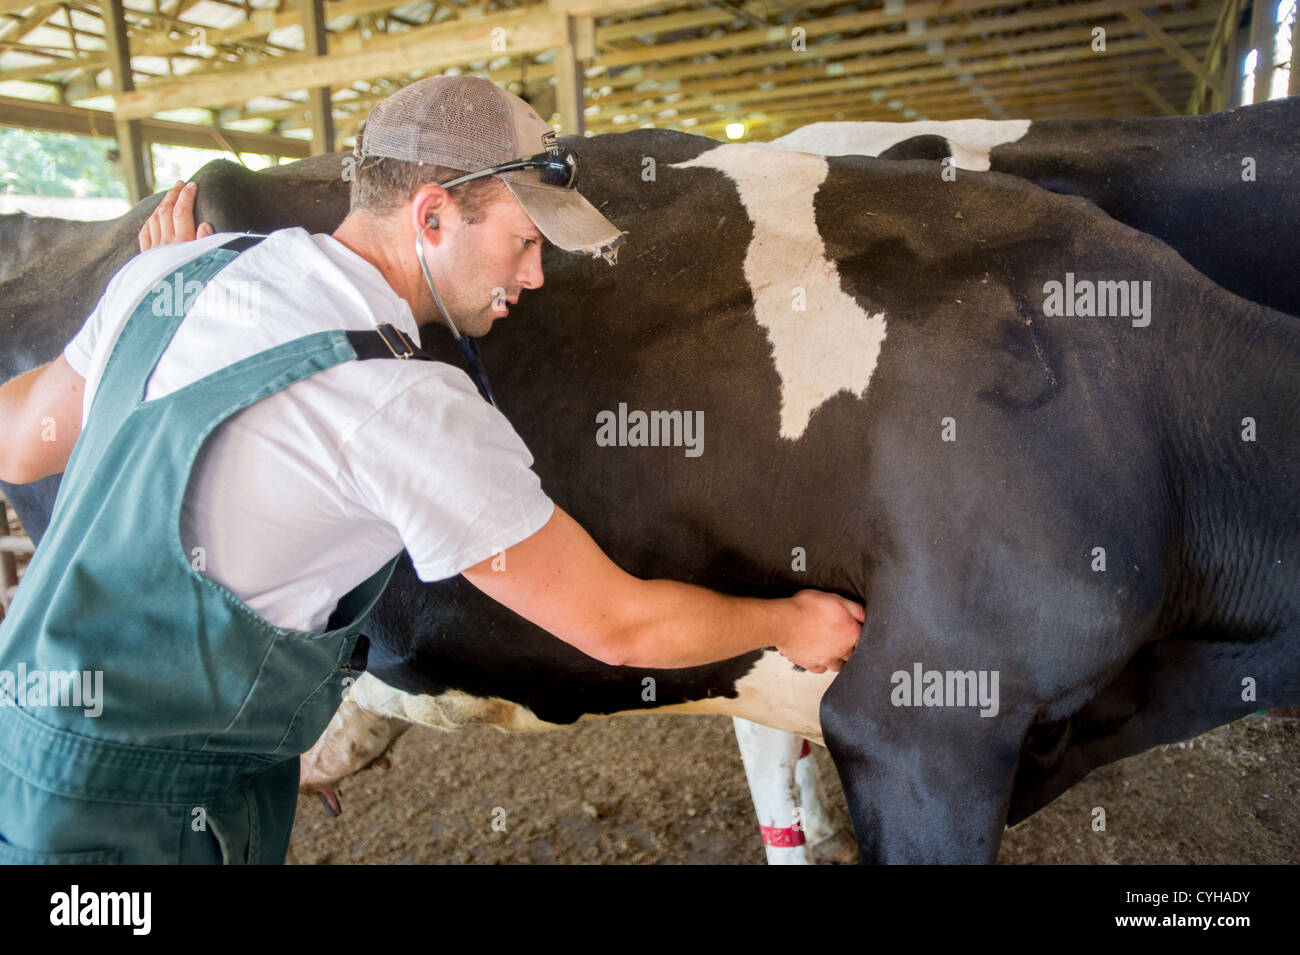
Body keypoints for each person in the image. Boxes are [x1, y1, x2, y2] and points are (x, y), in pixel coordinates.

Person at [0, 76, 863, 865]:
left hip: (19, 750)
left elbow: (16, 442)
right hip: (142, 816)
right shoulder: (404, 406)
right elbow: (620, 627)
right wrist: (787, 622)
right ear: (432, 214)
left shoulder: (174, 271)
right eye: (523, 241)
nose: (532, 275)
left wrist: (155, 277)